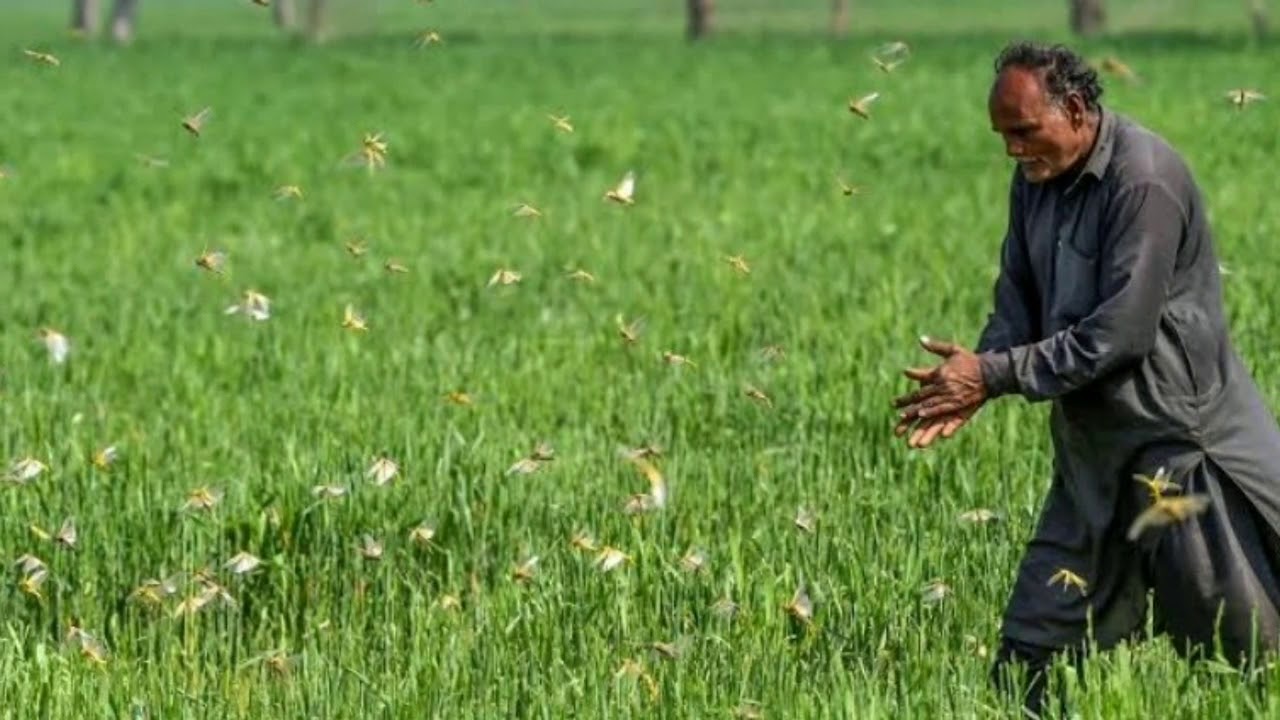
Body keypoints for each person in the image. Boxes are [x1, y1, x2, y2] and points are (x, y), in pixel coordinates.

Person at [891, 40, 1280, 716]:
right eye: (1002, 136)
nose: (1012, 150)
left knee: (1240, 652)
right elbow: (1018, 296)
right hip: (1094, 451)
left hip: (1182, 448)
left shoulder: (1144, 180)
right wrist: (975, 373)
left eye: (1023, 130)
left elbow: (1121, 333)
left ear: (1074, 109)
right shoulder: (1036, 179)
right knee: (1031, 649)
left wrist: (991, 375)